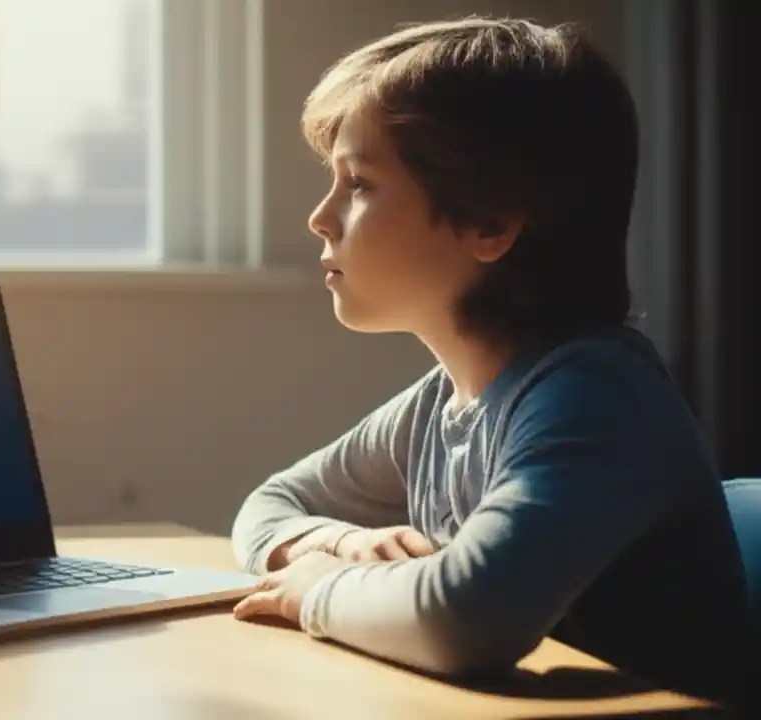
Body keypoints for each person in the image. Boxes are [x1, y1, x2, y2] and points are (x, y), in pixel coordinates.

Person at [229, 17, 751, 706]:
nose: (320, 218)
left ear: (490, 225)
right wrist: (335, 543)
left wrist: (317, 591)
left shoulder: (596, 396)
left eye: (357, 184)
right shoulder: (441, 401)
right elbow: (270, 505)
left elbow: (468, 618)